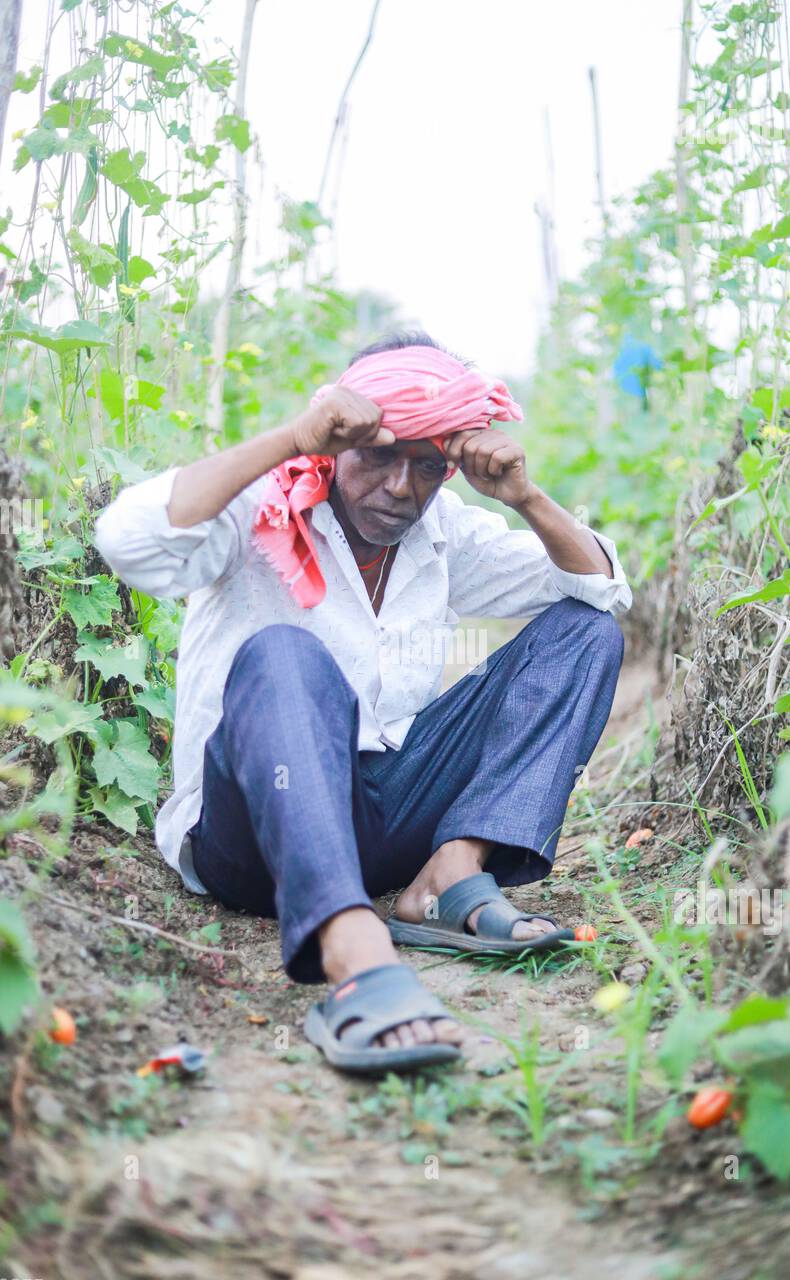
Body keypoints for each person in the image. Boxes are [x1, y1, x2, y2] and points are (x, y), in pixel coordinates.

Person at [95, 332, 631, 1074]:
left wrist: (525, 497)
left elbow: (600, 587)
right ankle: (356, 954)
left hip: (381, 814)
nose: (401, 488)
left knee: (587, 634)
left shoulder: (443, 534)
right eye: (378, 455)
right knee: (285, 655)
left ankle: (447, 874)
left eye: (427, 466)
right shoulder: (262, 506)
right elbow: (128, 541)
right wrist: (287, 438)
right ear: (335, 444)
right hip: (253, 834)